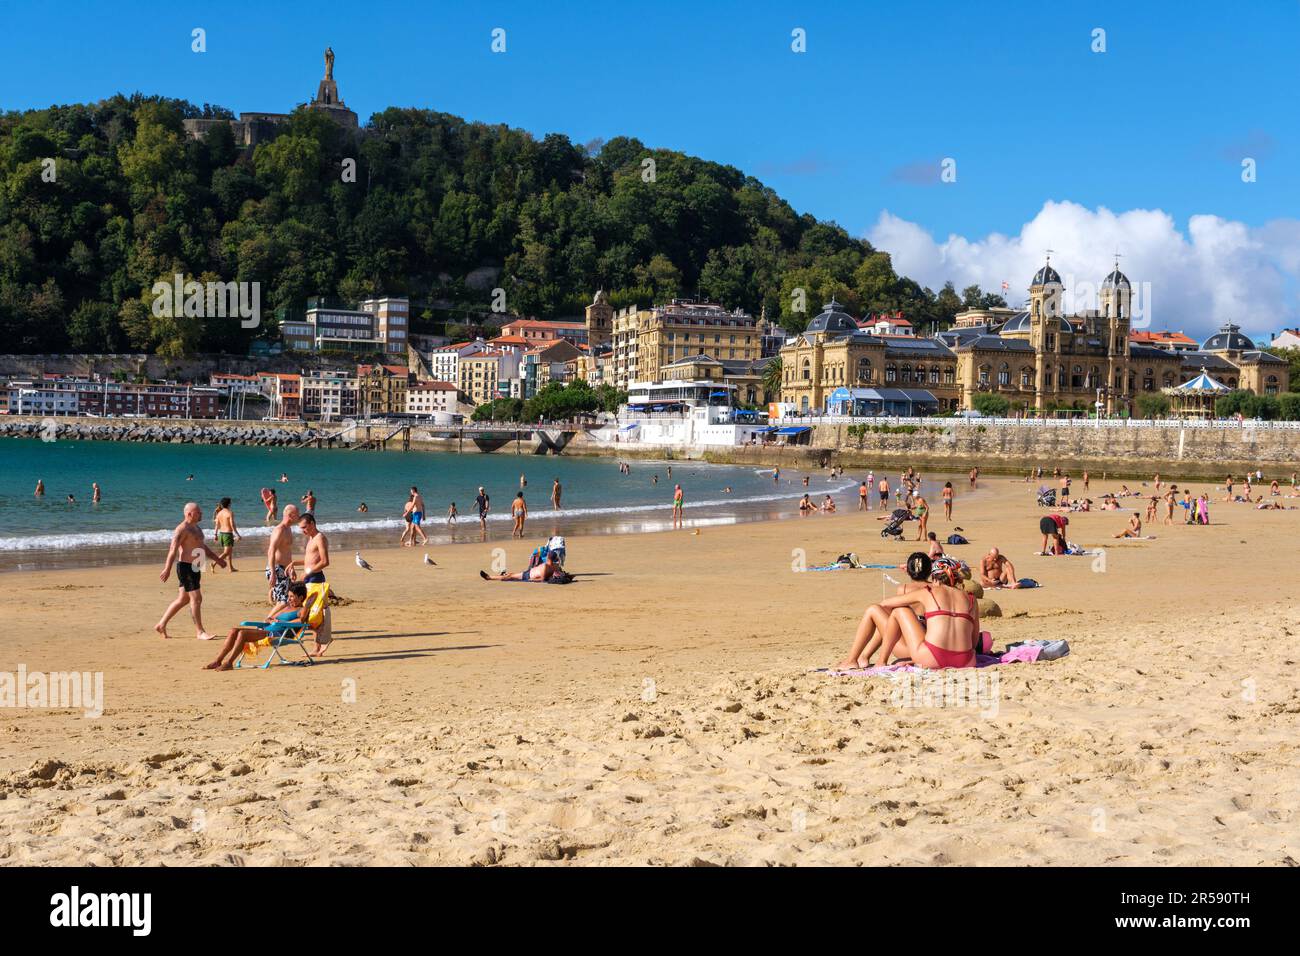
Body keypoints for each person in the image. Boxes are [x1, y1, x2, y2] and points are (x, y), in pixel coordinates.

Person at [838, 552, 980, 670]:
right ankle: (865, 657)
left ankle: (875, 661)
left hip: (933, 657)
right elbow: (973, 642)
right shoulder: (972, 599)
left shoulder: (928, 592)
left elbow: (886, 604)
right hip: (966, 661)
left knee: (895, 611)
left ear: (935, 577)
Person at [155, 502, 225, 640]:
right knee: (197, 598)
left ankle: (161, 624)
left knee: (183, 599)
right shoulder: (182, 529)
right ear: (189, 514)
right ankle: (200, 632)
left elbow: (202, 547)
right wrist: (167, 569)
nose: (201, 514)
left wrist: (217, 559)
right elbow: (173, 550)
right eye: (198, 512)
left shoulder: (197, 528)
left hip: (196, 566)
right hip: (186, 567)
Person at [203, 582, 309, 671]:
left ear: (300, 597)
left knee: (242, 634)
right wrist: (271, 619)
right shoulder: (286, 607)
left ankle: (230, 662)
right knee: (234, 630)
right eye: (288, 596)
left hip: (277, 635)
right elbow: (269, 618)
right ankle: (218, 661)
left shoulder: (302, 610)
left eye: (291, 596)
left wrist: (279, 621)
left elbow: (301, 621)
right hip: (266, 631)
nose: (289, 599)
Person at [266, 504, 300, 605]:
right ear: (290, 515)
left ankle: (272, 593)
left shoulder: (288, 529)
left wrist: (291, 568)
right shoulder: (279, 530)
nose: (299, 517)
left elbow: (287, 551)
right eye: (297, 514)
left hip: (285, 569)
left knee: (288, 598)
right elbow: (271, 551)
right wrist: (272, 573)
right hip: (276, 569)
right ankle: (271, 619)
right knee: (283, 602)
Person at [481, 550, 561, 582]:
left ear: (548, 557)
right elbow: (558, 573)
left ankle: (489, 577)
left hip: (527, 575)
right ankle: (502, 575)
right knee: (511, 575)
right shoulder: (556, 566)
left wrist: (531, 579)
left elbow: (542, 579)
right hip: (528, 572)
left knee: (510, 576)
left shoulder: (545, 566)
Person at [294, 512, 330, 585]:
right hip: (308, 576)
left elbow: (325, 562)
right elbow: (311, 561)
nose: (302, 531)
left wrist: (307, 573)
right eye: (301, 528)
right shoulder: (311, 537)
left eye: (304, 527)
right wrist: (294, 563)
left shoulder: (320, 538)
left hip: (315, 576)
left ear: (312, 524)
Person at [213, 497, 241, 572]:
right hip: (227, 534)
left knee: (229, 552)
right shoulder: (229, 513)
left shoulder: (219, 513)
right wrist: (237, 535)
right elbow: (232, 525)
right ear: (229, 504)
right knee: (226, 552)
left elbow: (217, 525)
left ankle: (231, 568)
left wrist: (215, 535)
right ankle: (214, 563)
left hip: (221, 534)